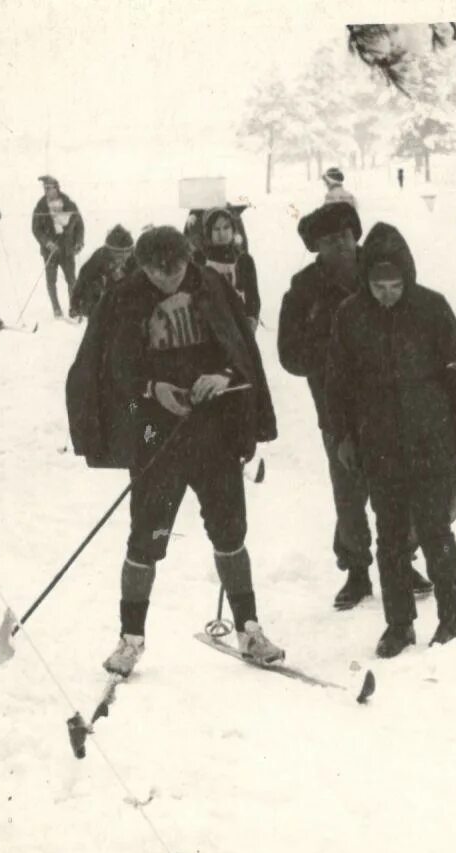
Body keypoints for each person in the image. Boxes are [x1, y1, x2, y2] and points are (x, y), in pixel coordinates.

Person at [88, 226, 281, 675]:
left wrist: (225, 376)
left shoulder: (210, 285)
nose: (169, 280)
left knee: (230, 532)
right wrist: (152, 390)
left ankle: (249, 629)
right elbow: (114, 379)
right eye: (158, 273)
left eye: (176, 270)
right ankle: (130, 639)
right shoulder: (123, 298)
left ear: (187, 259)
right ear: (143, 266)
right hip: (156, 437)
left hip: (213, 431)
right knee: (146, 537)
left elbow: (242, 355)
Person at [324, 223, 456, 658]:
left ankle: (453, 618)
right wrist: (343, 437)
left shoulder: (431, 308)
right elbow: (337, 384)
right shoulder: (350, 316)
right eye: (378, 286)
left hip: (432, 440)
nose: (387, 294)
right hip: (379, 444)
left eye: (395, 286)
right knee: (389, 537)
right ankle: (399, 625)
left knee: (435, 530)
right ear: (366, 281)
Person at [278, 203, 435, 609]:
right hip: (337, 409)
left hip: (392, 401)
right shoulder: (304, 289)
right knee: (350, 493)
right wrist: (336, 354)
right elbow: (289, 355)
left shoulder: (380, 270)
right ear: (316, 246)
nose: (342, 247)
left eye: (347, 237)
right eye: (330, 242)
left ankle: (401, 559)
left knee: (401, 485)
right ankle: (357, 571)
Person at [30, 175, 86, 320]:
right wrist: (47, 243)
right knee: (51, 280)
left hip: (67, 249)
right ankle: (56, 308)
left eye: (49, 188)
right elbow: (36, 229)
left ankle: (74, 308)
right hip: (50, 251)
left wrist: (79, 242)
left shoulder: (69, 204)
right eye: (45, 188)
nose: (46, 191)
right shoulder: (40, 207)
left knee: (72, 280)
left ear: (57, 188)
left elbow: (79, 225)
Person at [194, 208, 262, 326]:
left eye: (226, 227)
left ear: (233, 230)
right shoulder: (200, 260)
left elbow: (252, 296)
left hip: (238, 322)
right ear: (209, 232)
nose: (222, 233)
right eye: (216, 229)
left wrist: (252, 319)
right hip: (211, 324)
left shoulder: (244, 260)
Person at [69, 225, 136, 321]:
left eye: (126, 254)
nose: (121, 258)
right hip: (101, 304)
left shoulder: (136, 259)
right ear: (109, 251)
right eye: (118, 254)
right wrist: (75, 304)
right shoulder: (99, 257)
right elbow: (83, 278)